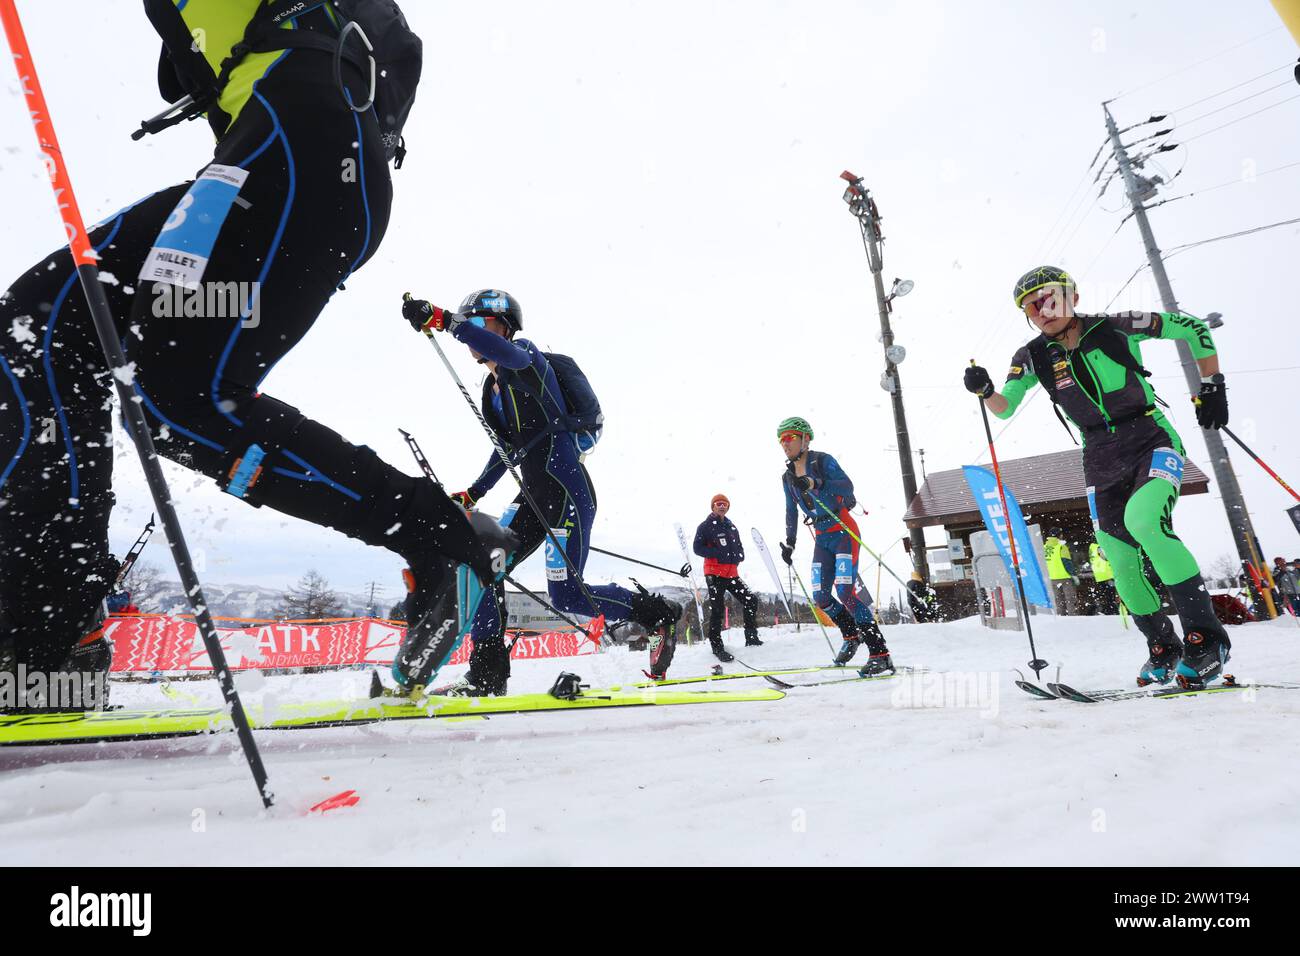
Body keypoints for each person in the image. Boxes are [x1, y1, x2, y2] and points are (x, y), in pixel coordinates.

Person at [0, 2, 505, 711]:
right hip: (263, 159)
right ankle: (42, 642)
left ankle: (439, 540)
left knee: (180, 400)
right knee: (40, 328)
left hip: (301, 144)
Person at [400, 290, 683, 693]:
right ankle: (486, 675)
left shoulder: (526, 357)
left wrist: (448, 321)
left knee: (567, 594)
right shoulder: (490, 391)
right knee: (483, 568)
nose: (473, 333)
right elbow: (507, 450)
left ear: (506, 326)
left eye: (481, 323)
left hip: (566, 491)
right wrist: (474, 493)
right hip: (532, 496)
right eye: (470, 323)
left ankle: (658, 614)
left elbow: (510, 356)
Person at [965, 266, 1233, 689]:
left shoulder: (1115, 326)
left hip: (1149, 437)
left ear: (1071, 295)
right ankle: (1163, 647)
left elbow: (1192, 327)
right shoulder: (1033, 356)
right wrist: (984, 391)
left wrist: (1212, 385)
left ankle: (1207, 642)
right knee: (1118, 557)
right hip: (1099, 455)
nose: (1042, 309)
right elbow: (1004, 407)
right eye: (1031, 306)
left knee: (1145, 522)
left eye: (1050, 297)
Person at [775, 417, 893, 676]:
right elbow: (790, 511)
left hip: (843, 529)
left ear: (805, 438)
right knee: (821, 597)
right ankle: (851, 636)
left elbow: (847, 486)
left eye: (790, 437)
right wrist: (790, 543)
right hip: (822, 535)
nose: (785, 444)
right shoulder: (787, 477)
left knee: (846, 592)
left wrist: (816, 483)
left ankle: (880, 653)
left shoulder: (821, 460)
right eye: (781, 440)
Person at [693, 493, 761, 662]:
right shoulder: (705, 526)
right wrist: (716, 553)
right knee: (717, 609)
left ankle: (751, 637)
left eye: (724, 504)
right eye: (718, 503)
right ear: (713, 507)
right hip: (714, 573)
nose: (721, 506)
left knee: (750, 600)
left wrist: (740, 556)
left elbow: (739, 546)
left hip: (731, 573)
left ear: (728, 507)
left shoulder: (732, 527)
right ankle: (717, 647)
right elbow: (697, 548)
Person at [1043, 528, 1079, 615]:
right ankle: (1073, 618)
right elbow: (1066, 562)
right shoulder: (1061, 546)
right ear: (1060, 535)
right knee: (1070, 599)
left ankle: (1060, 617)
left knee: (1058, 600)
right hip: (1064, 577)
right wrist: (1074, 575)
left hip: (1052, 577)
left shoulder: (1045, 547)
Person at [1088, 541, 1119, 615]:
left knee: (1108, 596)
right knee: (1113, 595)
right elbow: (1106, 557)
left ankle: (1110, 611)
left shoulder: (1092, 547)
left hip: (1100, 575)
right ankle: (1114, 611)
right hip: (1108, 574)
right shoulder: (1100, 546)